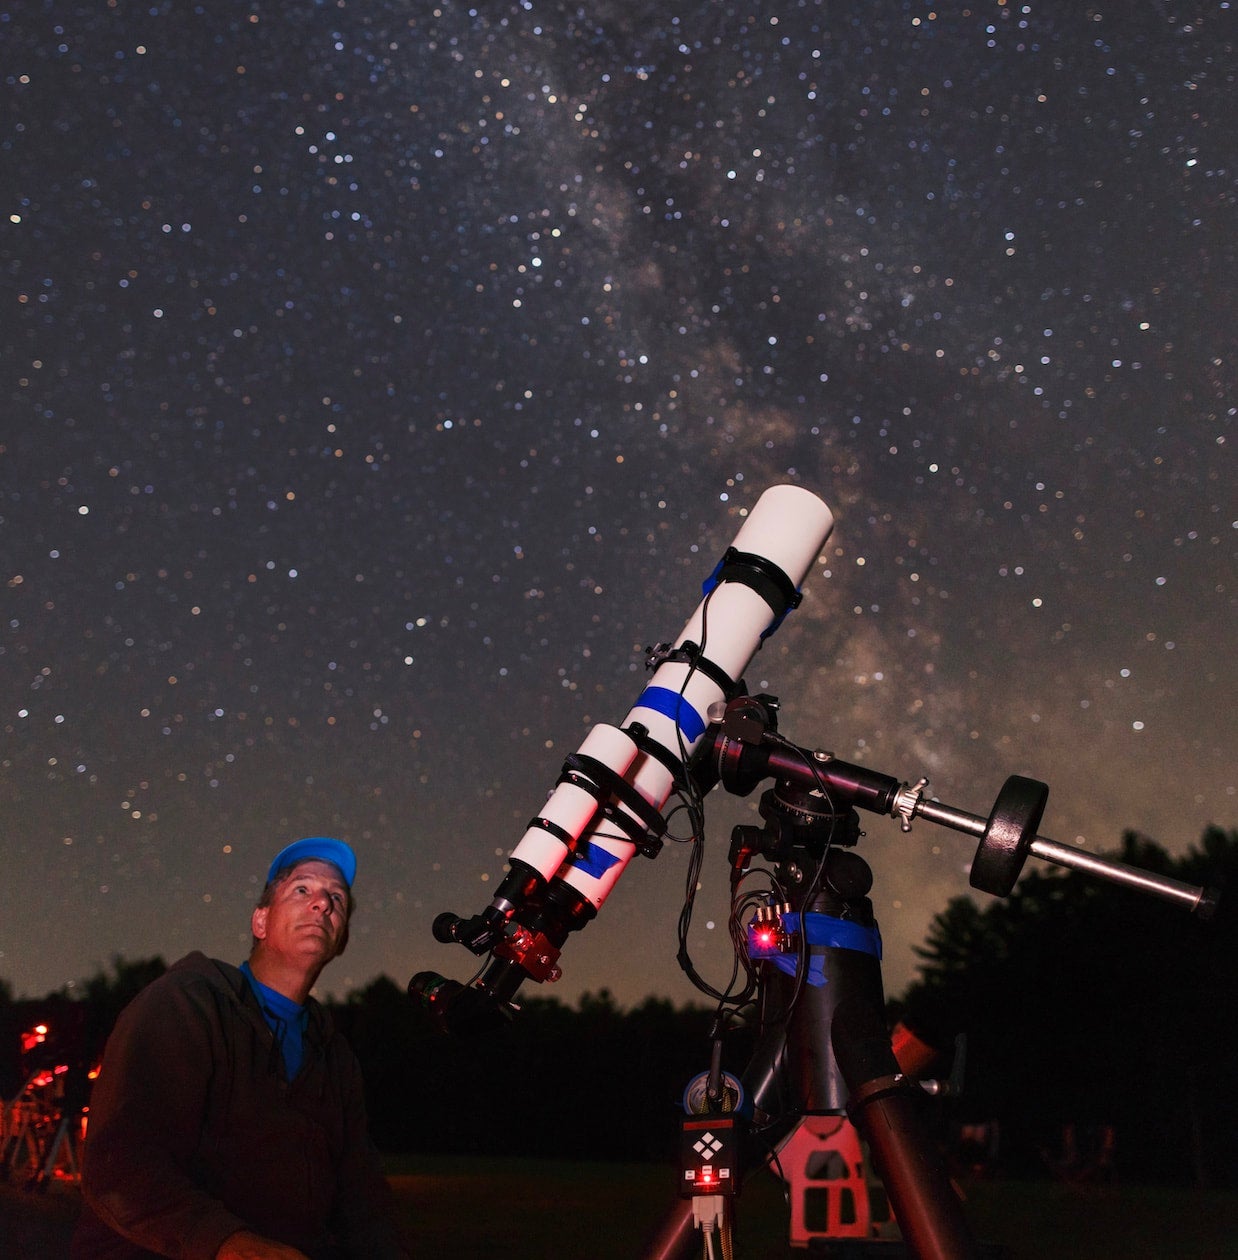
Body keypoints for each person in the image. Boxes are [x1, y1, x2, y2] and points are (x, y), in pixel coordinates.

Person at [72, 837, 412, 1260]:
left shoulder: (335, 1057)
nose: (322, 903)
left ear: (340, 939)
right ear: (260, 922)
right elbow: (121, 1163)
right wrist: (229, 1244)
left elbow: (362, 1193)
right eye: (302, 890)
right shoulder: (187, 1004)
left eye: (336, 898)